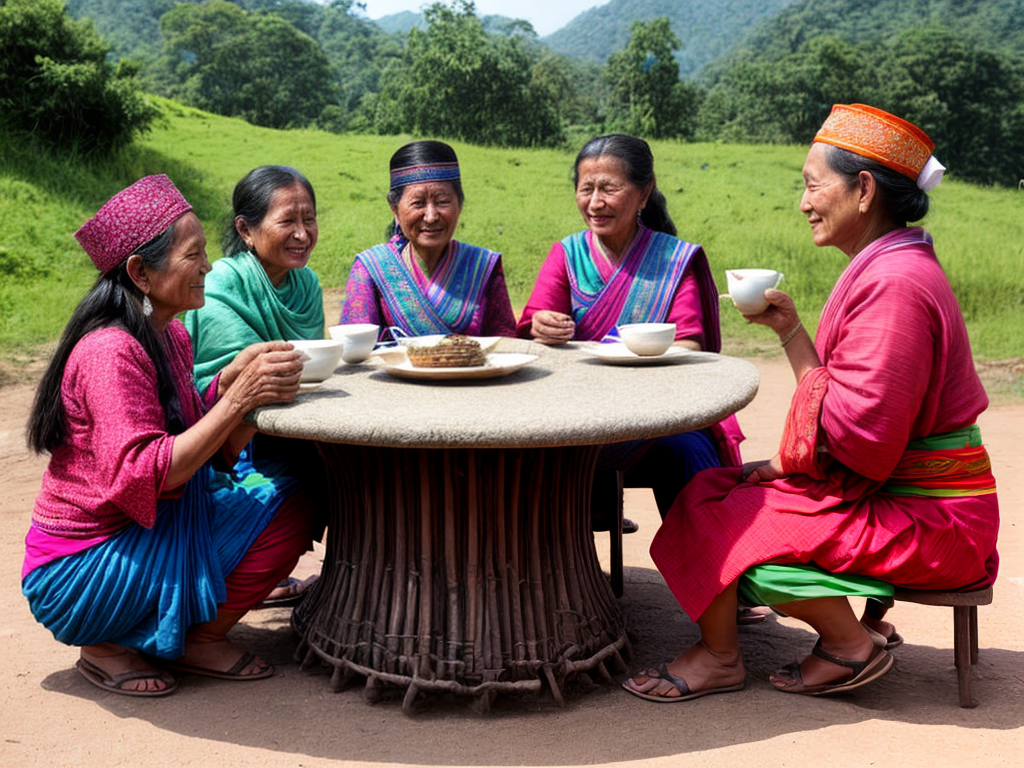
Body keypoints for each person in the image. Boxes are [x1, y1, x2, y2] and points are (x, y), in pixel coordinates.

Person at [623, 104, 999, 702]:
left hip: (931, 519)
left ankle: (840, 645)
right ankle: (748, 647)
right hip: (903, 494)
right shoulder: (889, 264)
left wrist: (784, 468)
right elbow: (844, 401)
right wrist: (790, 332)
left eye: (813, 184)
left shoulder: (895, 285)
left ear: (865, 190)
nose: (804, 202)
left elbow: (864, 445)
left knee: (734, 518)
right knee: (713, 492)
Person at [22, 175, 318, 697]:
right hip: (82, 565)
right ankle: (105, 644)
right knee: (276, 499)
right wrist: (236, 400)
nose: (208, 266)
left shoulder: (170, 332)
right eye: (193, 255)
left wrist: (232, 386)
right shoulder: (109, 352)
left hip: (152, 528)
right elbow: (147, 473)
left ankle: (200, 637)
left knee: (293, 496)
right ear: (140, 271)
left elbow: (202, 439)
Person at [516, 133, 743, 533]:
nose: (595, 202)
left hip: (654, 420)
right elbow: (534, 331)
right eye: (586, 189)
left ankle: (718, 576)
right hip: (574, 420)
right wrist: (542, 328)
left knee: (688, 448)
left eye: (609, 189)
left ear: (644, 191)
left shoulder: (674, 260)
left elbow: (689, 345)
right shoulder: (565, 255)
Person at [185, 165, 325, 608]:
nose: (302, 234)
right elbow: (229, 384)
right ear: (245, 229)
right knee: (317, 479)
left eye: (309, 219)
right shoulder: (220, 285)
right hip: (223, 447)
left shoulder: (306, 285)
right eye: (288, 221)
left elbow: (312, 372)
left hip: (289, 426)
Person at [340, 140, 516, 340]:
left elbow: (507, 343)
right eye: (418, 203)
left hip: (473, 371)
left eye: (442, 202)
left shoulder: (482, 267)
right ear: (394, 209)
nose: (431, 216)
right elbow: (354, 346)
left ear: (460, 205)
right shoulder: (371, 268)